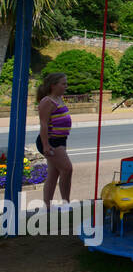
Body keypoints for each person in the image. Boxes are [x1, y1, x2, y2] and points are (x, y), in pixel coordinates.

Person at [37, 72, 74, 207]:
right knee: (67, 169)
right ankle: (66, 203)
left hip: (60, 140)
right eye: (63, 84)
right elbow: (43, 124)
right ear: (53, 85)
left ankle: (47, 206)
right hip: (51, 141)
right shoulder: (47, 101)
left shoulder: (59, 98)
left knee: (53, 174)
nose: (66, 86)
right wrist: (46, 145)